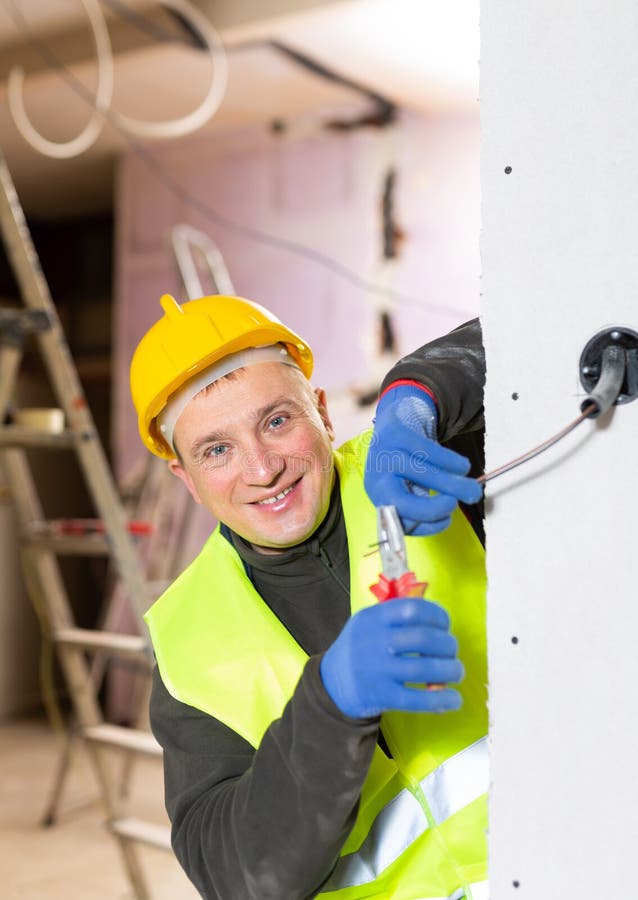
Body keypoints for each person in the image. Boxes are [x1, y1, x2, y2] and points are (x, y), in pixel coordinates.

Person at [129, 292, 487, 900]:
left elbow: (550, 318)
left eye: (276, 420)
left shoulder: (421, 462)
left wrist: (419, 391)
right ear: (185, 479)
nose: (263, 469)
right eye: (217, 450)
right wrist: (330, 707)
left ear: (321, 411)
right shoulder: (187, 640)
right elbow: (234, 875)